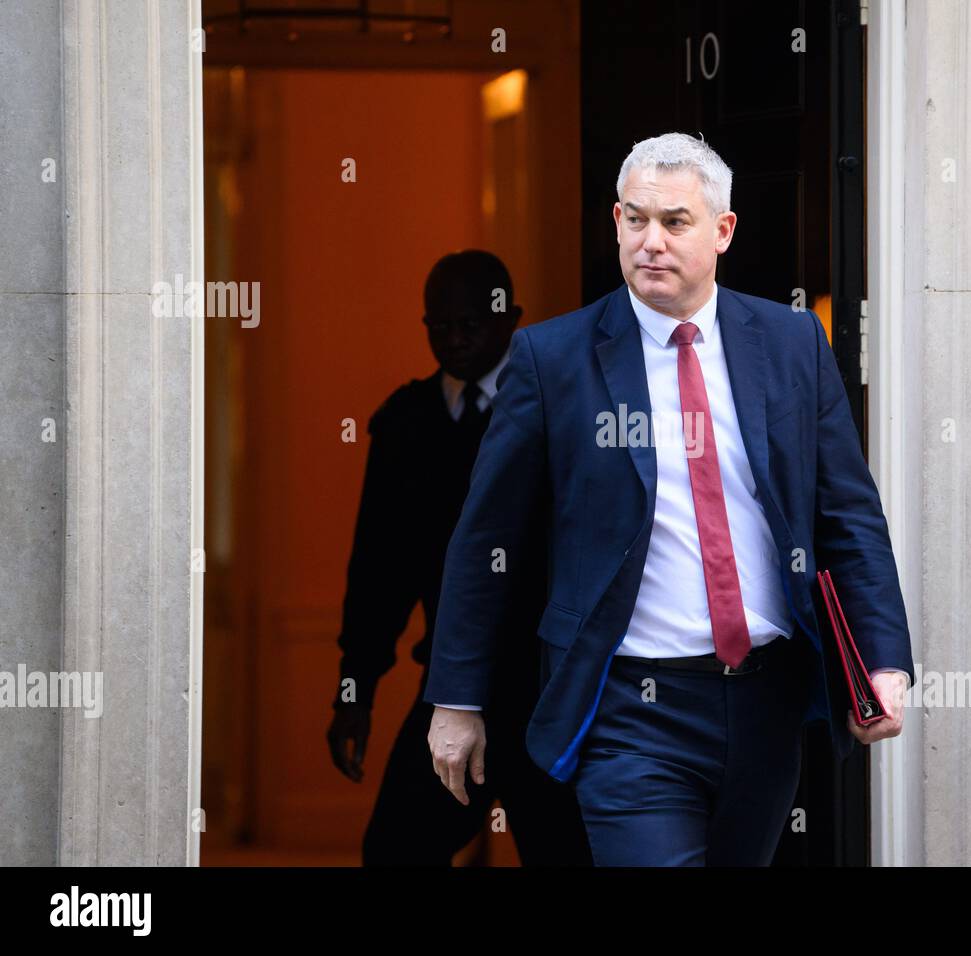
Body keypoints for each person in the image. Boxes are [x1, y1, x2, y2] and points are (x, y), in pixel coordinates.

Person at [424, 134, 914, 866]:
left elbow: (848, 514)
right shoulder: (552, 359)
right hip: (630, 708)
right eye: (634, 219)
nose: (650, 241)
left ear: (722, 231)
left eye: (675, 222)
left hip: (765, 699)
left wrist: (884, 661)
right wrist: (456, 696)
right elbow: (484, 537)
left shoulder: (791, 343)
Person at [327, 249, 591, 866]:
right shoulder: (405, 423)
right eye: (439, 327)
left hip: (546, 688)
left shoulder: (558, 410)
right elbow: (378, 573)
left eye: (470, 324)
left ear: (510, 318)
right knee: (395, 851)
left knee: (566, 855)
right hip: (449, 680)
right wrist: (354, 688)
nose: (454, 340)